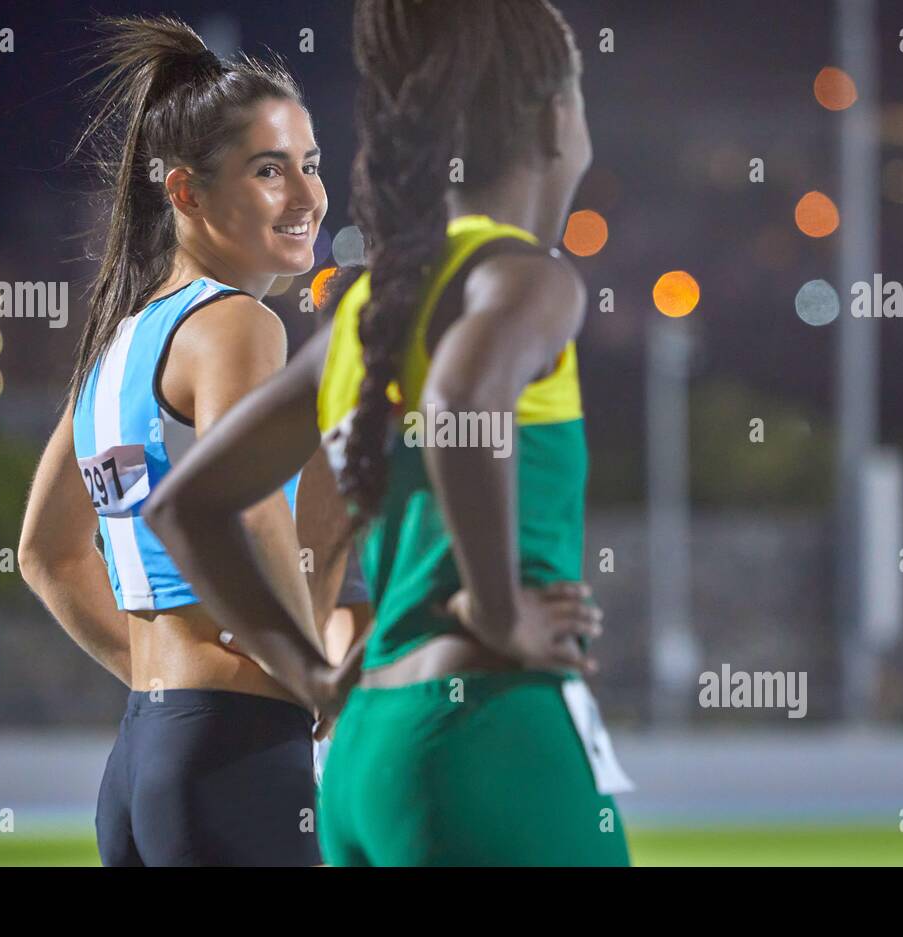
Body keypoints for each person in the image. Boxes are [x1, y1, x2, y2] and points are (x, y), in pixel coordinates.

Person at [145, 0, 630, 866]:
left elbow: (184, 507)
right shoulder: (527, 279)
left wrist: (313, 679)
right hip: (491, 731)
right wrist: (495, 604)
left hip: (369, 750)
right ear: (556, 119)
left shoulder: (368, 309)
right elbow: (459, 400)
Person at [18, 15, 350, 866]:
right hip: (233, 752)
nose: (308, 196)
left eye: (310, 165)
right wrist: (309, 675)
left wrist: (160, 681)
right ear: (186, 193)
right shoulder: (237, 322)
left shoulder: (118, 346)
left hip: (144, 758)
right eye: (270, 171)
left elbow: (47, 556)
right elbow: (243, 510)